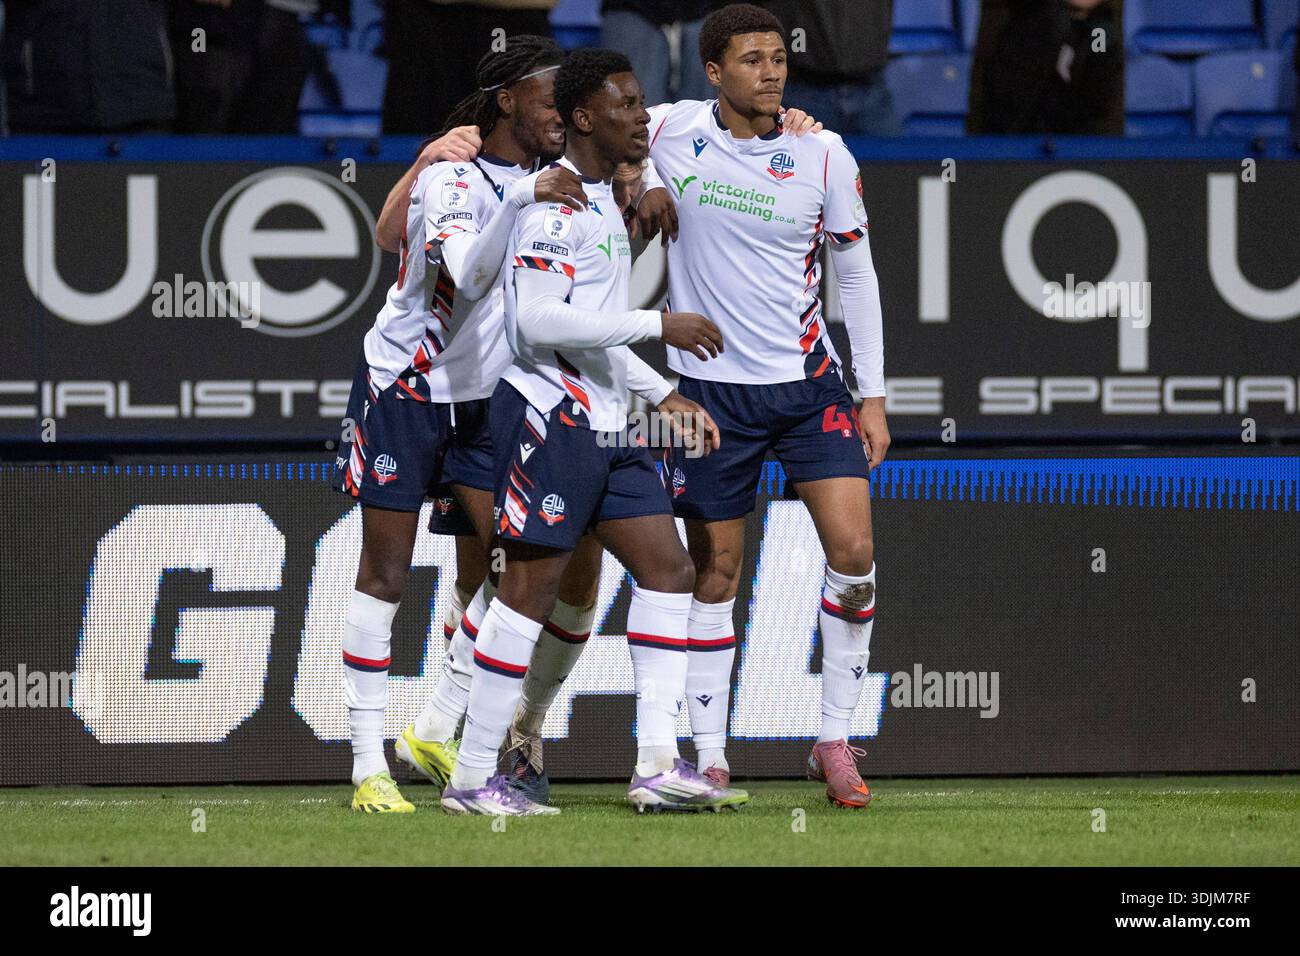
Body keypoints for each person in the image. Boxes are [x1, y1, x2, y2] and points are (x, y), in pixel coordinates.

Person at [439, 48, 752, 816]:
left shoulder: (605, 202)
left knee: (670, 573)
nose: (643, 117)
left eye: (644, 105)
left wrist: (661, 392)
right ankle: (473, 776)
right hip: (553, 419)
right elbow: (537, 322)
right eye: (627, 105)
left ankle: (654, 765)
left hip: (610, 421)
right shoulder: (551, 205)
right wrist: (659, 324)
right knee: (529, 591)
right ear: (585, 119)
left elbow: (591, 336)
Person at [637, 4, 889, 808]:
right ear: (713, 72)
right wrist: (453, 141)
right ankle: (711, 755)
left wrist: (873, 396)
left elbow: (856, 279)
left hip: (810, 388)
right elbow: (582, 128)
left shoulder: (824, 152)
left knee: (853, 552)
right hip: (707, 393)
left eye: (779, 57)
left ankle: (834, 740)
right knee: (715, 571)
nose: (772, 71)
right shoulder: (669, 129)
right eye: (751, 59)